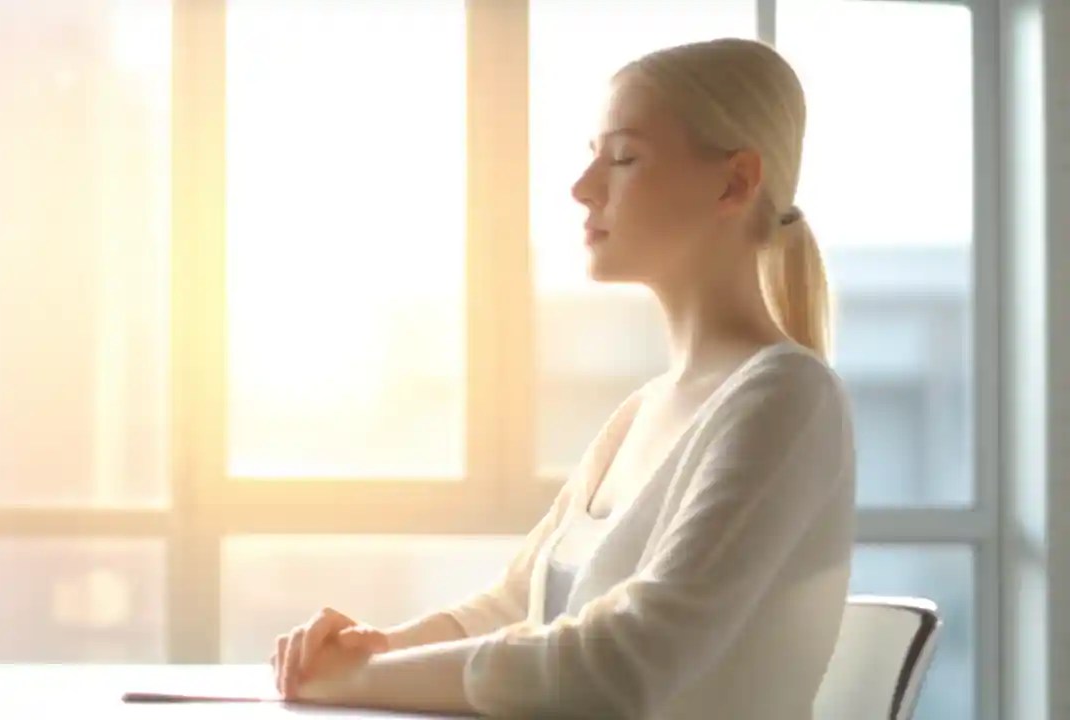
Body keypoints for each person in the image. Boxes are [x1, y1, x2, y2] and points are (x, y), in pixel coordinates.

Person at [269, 36, 856, 719]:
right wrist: (379, 652)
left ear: (733, 182)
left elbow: (618, 662)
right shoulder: (639, 414)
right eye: (591, 157)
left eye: (624, 158)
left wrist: (360, 684)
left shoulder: (785, 399)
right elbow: (515, 606)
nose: (582, 189)